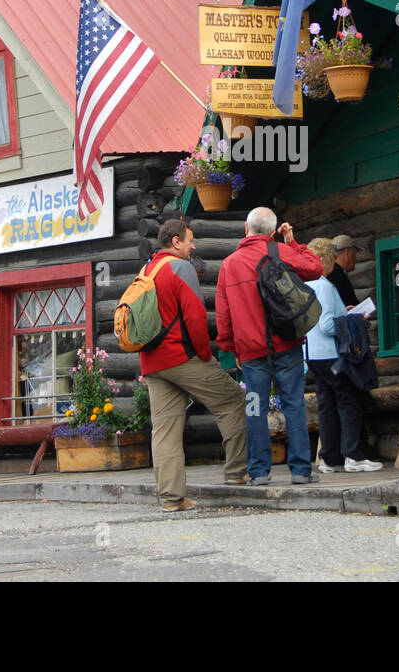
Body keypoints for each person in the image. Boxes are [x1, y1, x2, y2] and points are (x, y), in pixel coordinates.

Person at [139, 218, 249, 511]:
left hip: (152, 361)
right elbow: (196, 317)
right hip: (181, 356)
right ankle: (237, 473)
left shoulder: (146, 269)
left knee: (164, 430)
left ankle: (171, 499)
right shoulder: (180, 267)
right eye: (190, 241)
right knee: (233, 399)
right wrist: (204, 354)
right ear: (175, 242)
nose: (194, 246)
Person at [216, 206, 322, 485]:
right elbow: (315, 268)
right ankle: (300, 470)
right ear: (273, 231)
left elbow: (223, 314)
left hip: (251, 353)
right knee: (294, 405)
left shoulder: (229, 264)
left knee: (254, 408)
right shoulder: (283, 252)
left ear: (246, 227)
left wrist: (232, 349)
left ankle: (259, 471)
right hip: (287, 345)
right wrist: (292, 242)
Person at [304, 238, 383, 474]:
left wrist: (343, 312)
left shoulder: (305, 285)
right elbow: (328, 325)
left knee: (327, 405)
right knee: (349, 402)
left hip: (313, 354)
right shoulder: (326, 286)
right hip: (332, 356)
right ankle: (354, 456)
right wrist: (353, 317)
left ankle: (329, 458)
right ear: (328, 259)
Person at [328, 234, 362, 309]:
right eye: (355, 254)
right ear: (348, 253)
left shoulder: (329, 272)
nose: (356, 259)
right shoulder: (337, 274)